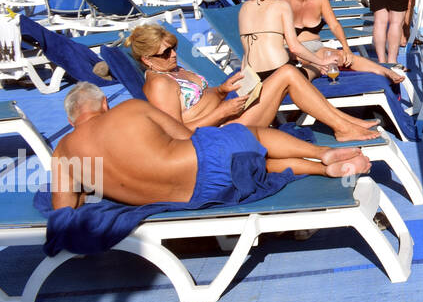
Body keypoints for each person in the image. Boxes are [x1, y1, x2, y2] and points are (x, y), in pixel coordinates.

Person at [49, 83, 369, 210]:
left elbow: (64, 212)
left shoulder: (63, 151)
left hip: (192, 197)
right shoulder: (129, 108)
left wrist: (86, 189)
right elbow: (188, 139)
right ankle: (322, 155)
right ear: (104, 103)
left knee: (251, 162)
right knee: (249, 136)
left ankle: (324, 170)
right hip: (207, 165)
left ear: (73, 117)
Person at [128, 22, 379, 141]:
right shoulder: (159, 84)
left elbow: (200, 101)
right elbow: (176, 134)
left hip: (229, 116)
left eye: (173, 48)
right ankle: (343, 126)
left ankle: (345, 122)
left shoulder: (174, 70)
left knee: (286, 72)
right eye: (164, 53)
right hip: (219, 134)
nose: (173, 54)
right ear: (147, 60)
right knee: (288, 74)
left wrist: (221, 91)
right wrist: (222, 111)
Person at [236, 0, 385, 142]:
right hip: (278, 70)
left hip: (253, 74)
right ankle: (343, 127)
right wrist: (320, 62)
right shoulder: (280, 6)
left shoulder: (243, 9)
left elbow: (247, 50)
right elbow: (294, 47)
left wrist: (244, 80)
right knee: (308, 70)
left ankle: (349, 122)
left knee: (302, 71)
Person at [285, 0, 403, 83]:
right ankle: (315, 68)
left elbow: (334, 25)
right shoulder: (285, 3)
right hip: (296, 51)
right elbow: (281, 39)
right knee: (329, 60)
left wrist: (346, 48)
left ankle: (385, 71)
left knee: (344, 56)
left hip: (317, 47)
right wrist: (295, 56)